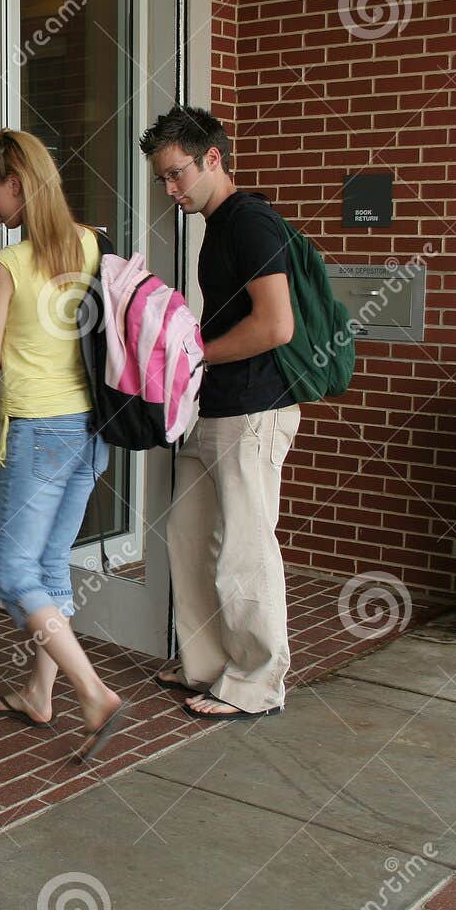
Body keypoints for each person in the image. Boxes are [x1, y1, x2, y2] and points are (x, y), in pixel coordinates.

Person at [139, 106, 300, 720]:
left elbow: (275, 325)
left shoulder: (249, 221)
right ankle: (208, 664)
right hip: (215, 407)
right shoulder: (218, 225)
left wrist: (195, 354)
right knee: (189, 536)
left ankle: (258, 683)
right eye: (163, 180)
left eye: (177, 175)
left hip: (254, 409)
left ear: (213, 158)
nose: (171, 190)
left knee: (245, 546)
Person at [0, 129, 127, 763]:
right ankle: (41, 693)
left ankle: (93, 692)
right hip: (94, 430)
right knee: (51, 564)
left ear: (15, 183)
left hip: (39, 430)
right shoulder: (95, 244)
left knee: (11, 571)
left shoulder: (7, 265)